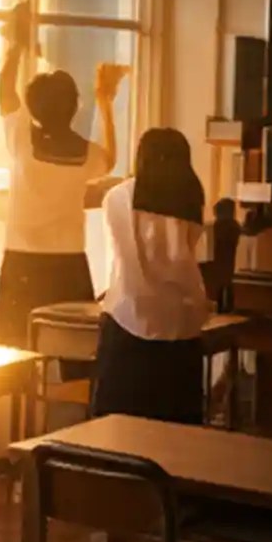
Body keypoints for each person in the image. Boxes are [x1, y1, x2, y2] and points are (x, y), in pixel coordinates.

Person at [0, 2, 127, 361]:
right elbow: (110, 157)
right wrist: (106, 101)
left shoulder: (23, 140)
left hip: (22, 261)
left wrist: (17, 44)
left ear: (33, 108)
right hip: (69, 263)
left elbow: (5, 89)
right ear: (75, 107)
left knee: (12, 356)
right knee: (74, 358)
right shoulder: (84, 154)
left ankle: (19, 414)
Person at [92, 128, 210, 424]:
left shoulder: (117, 197)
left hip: (126, 319)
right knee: (177, 431)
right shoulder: (189, 198)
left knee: (116, 426)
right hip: (181, 321)